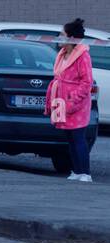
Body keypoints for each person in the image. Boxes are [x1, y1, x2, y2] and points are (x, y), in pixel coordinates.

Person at [45, 17, 95, 182]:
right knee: (69, 138)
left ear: (71, 37)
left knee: (78, 137)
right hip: (61, 101)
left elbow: (86, 82)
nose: (59, 38)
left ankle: (85, 173)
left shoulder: (82, 56)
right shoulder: (61, 54)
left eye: (62, 34)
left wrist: (73, 100)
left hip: (76, 104)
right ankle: (76, 170)